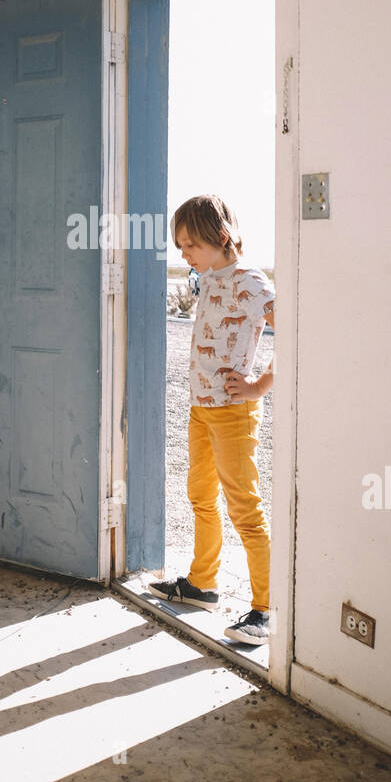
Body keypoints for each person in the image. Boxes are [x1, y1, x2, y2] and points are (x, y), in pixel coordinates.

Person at [150, 195, 275, 644]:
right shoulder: (207, 279)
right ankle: (203, 584)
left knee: (245, 508)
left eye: (189, 245)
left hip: (234, 413)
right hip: (201, 409)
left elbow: (301, 328)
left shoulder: (252, 281)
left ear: (221, 238)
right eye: (180, 246)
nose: (183, 253)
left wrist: (261, 384)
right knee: (201, 495)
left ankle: (267, 608)